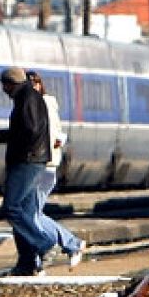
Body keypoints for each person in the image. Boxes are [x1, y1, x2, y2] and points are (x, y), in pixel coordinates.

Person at [27, 72, 84, 270]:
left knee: (30, 214)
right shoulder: (40, 104)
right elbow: (58, 134)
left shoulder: (43, 104)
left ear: (40, 84)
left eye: (35, 83)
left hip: (43, 165)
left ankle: (71, 244)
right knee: (30, 213)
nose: (32, 86)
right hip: (42, 163)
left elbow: (51, 134)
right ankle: (37, 261)